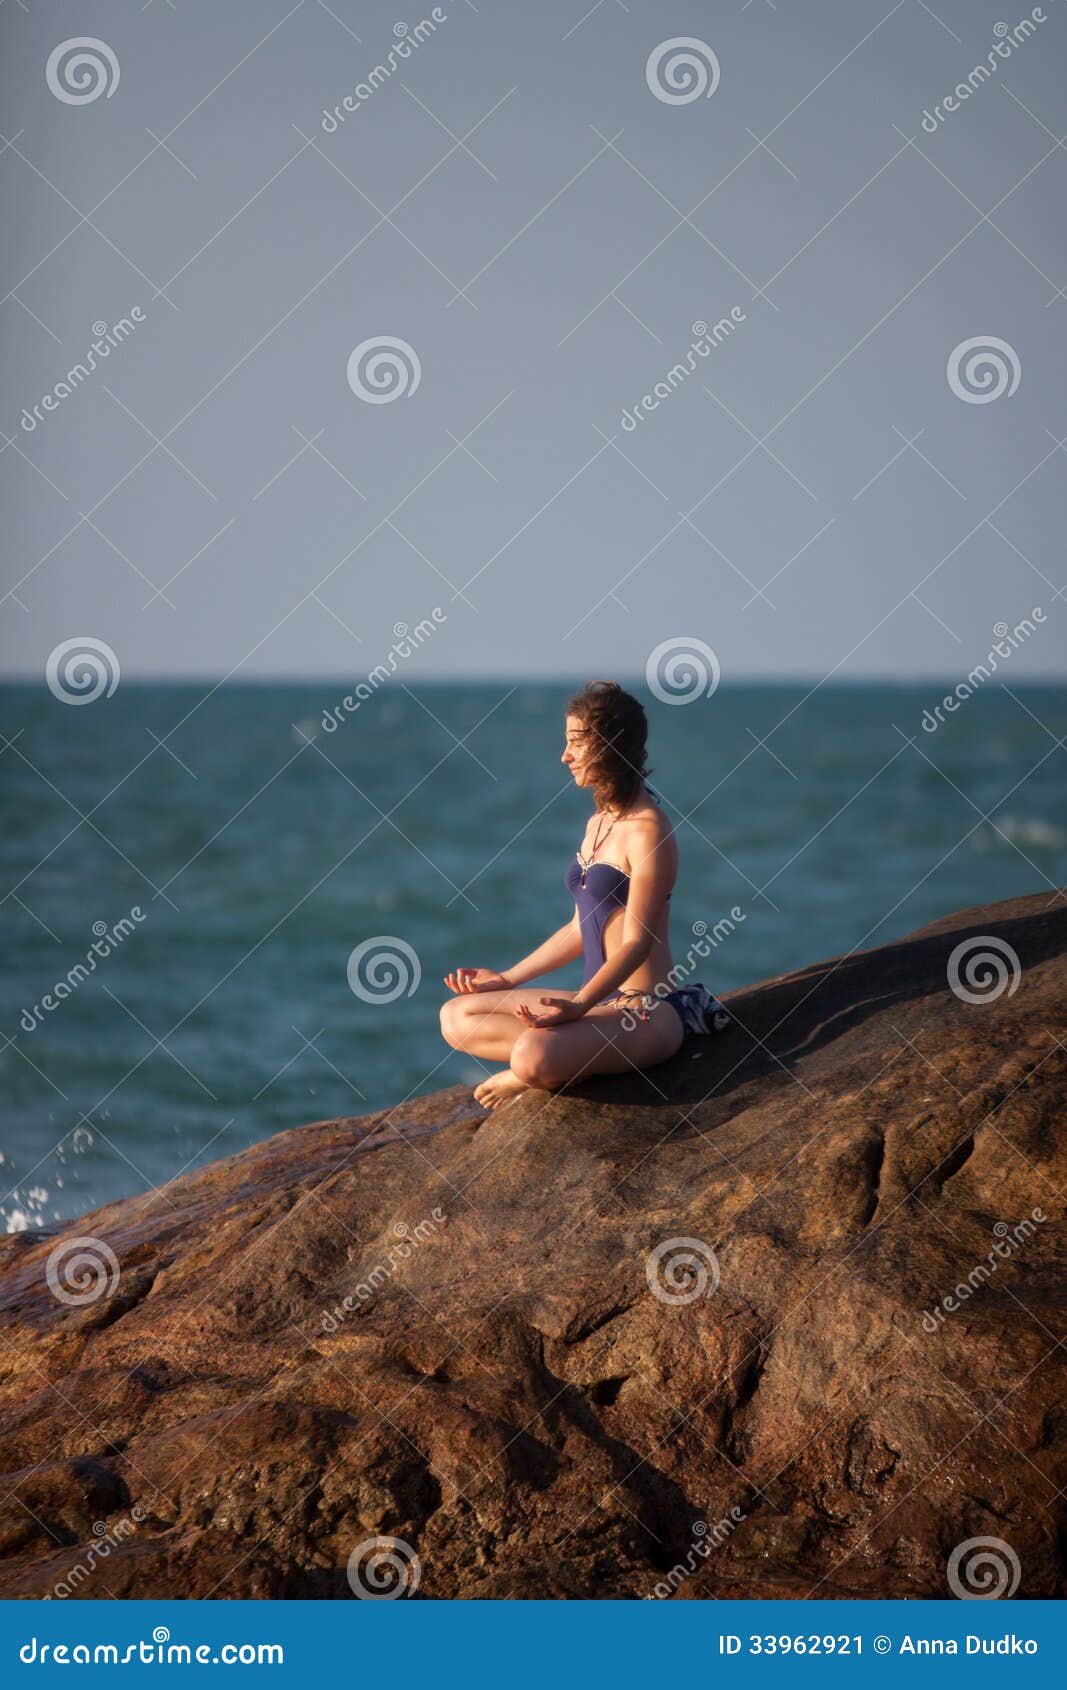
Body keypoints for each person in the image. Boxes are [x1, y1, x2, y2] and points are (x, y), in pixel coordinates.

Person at [439, 680, 728, 1110]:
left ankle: (532, 1068)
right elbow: (579, 927)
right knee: (457, 1015)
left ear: (610, 745)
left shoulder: (649, 830)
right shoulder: (599, 821)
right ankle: (560, 1052)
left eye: (576, 743)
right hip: (594, 1006)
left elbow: (637, 942)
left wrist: (577, 1006)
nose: (565, 756)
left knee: (531, 1057)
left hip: (643, 1011)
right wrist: (507, 979)